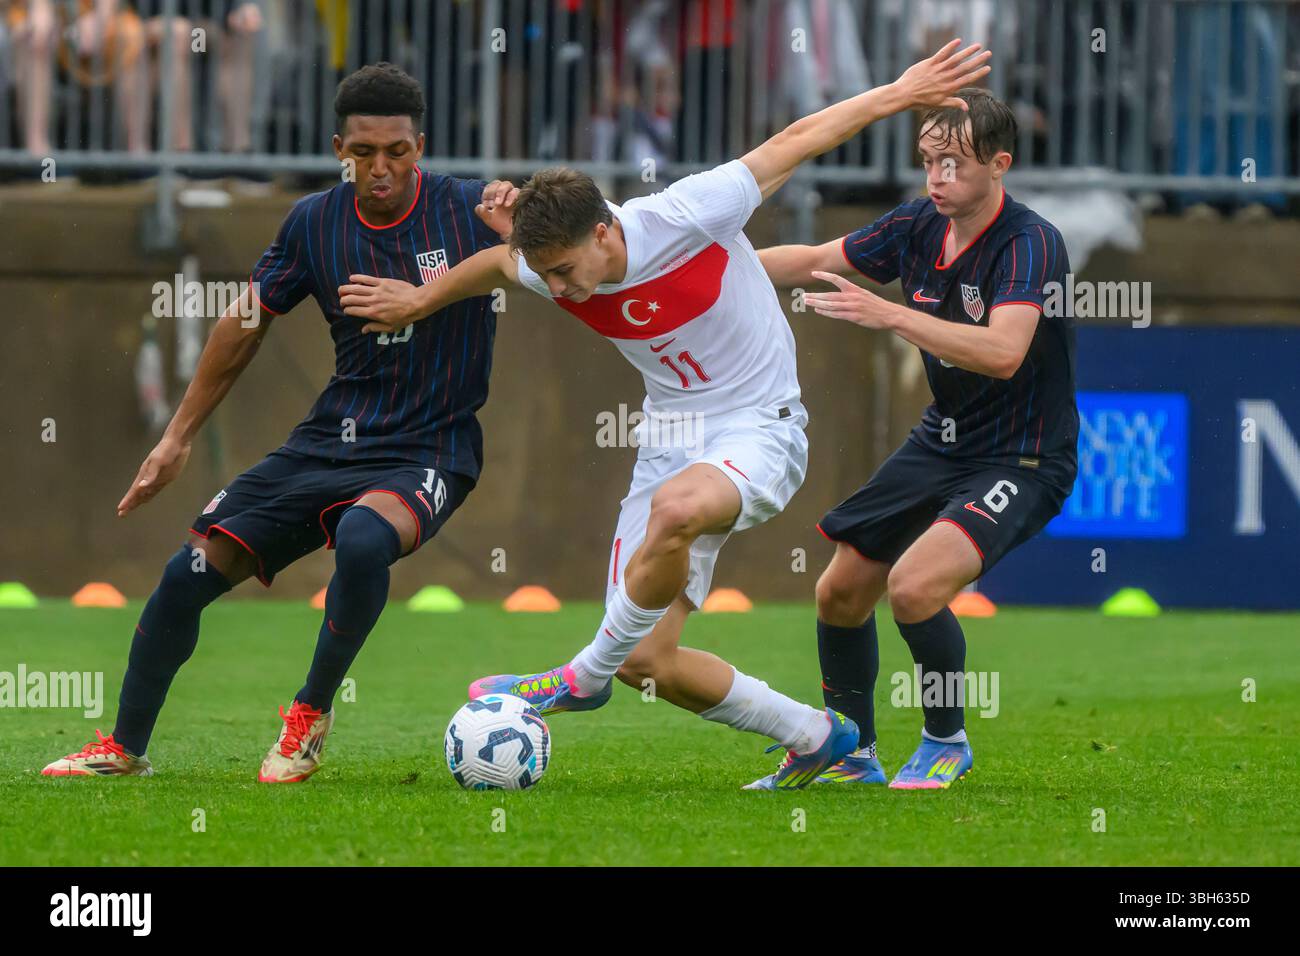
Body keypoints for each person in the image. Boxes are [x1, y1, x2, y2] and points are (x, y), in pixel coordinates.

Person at [345, 41, 992, 790]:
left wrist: (898, 91)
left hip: (761, 426)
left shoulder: (684, 212)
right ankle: (819, 737)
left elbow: (792, 143)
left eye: (564, 272)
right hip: (670, 439)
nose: (559, 290)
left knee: (677, 511)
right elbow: (497, 265)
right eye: (545, 276)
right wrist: (421, 299)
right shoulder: (549, 263)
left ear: (604, 233)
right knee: (649, 664)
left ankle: (581, 674)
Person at [42, 63, 506, 783]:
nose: (379, 169)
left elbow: (576, 239)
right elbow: (245, 321)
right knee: (186, 572)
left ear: (422, 146)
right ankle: (124, 746)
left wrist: (518, 215)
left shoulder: (471, 211)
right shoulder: (315, 221)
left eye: (396, 152)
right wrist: (177, 436)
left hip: (431, 446)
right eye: (362, 153)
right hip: (329, 439)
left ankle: (308, 717)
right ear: (337, 149)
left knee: (360, 540)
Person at [757, 86, 1077, 789]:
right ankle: (852, 751)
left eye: (953, 163)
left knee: (914, 588)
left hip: (1023, 454)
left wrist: (889, 315)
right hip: (946, 439)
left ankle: (945, 740)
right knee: (839, 592)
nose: (937, 178)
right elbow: (817, 255)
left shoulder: (1031, 243)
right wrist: (704, 269)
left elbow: (1002, 353)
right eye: (929, 161)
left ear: (1000, 164)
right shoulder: (916, 223)